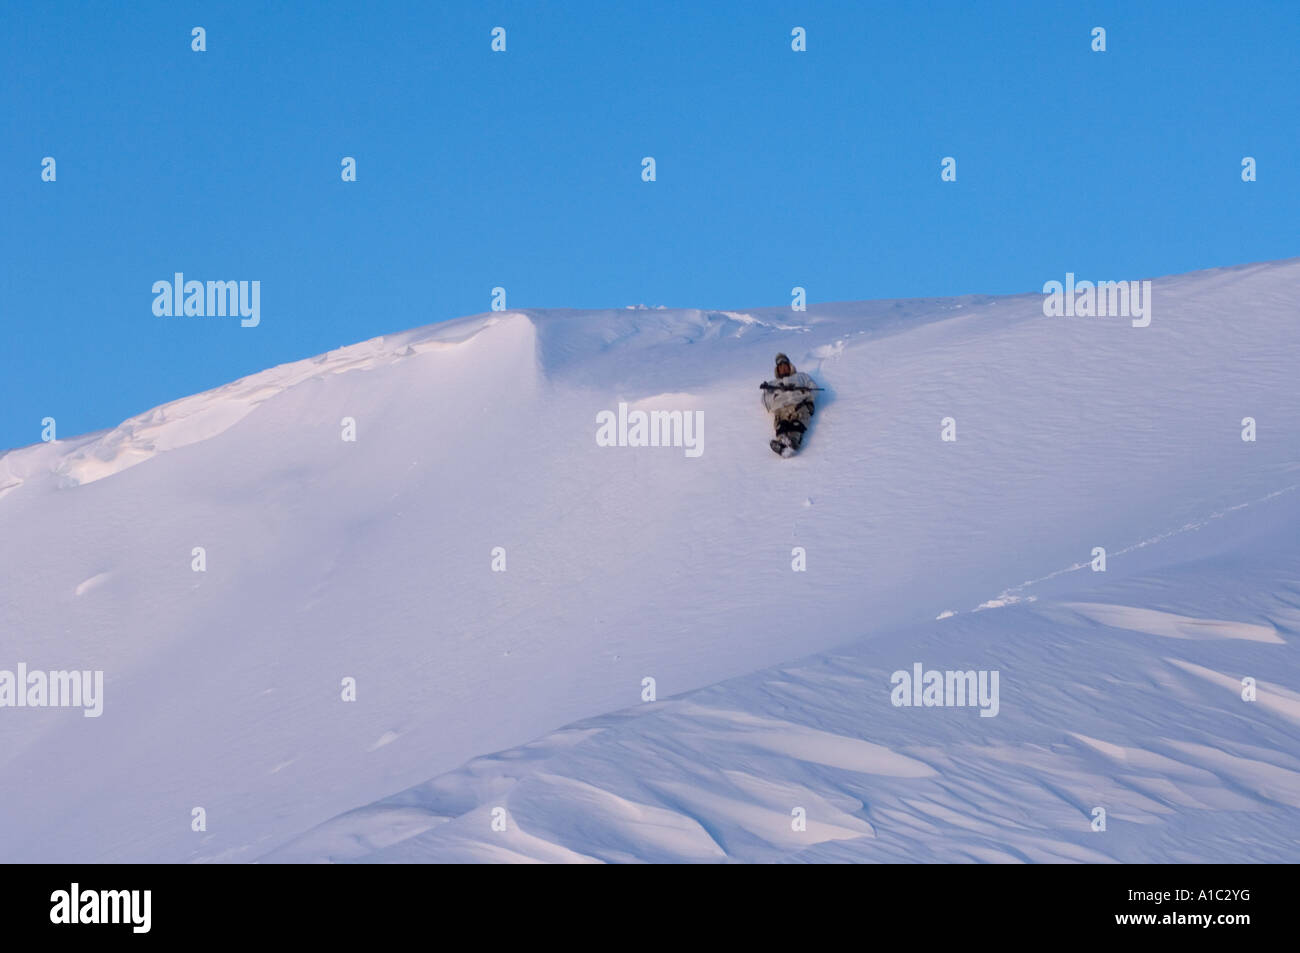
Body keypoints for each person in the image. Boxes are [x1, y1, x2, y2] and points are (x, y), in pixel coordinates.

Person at [761, 353, 817, 456]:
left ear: (790, 366)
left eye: (785, 365)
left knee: (797, 423)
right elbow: (765, 401)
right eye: (780, 367)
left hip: (798, 404)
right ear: (777, 369)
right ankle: (782, 442)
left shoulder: (801, 377)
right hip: (781, 408)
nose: (783, 368)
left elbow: (813, 388)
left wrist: (807, 398)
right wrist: (773, 395)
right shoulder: (773, 383)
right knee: (781, 425)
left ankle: (792, 442)